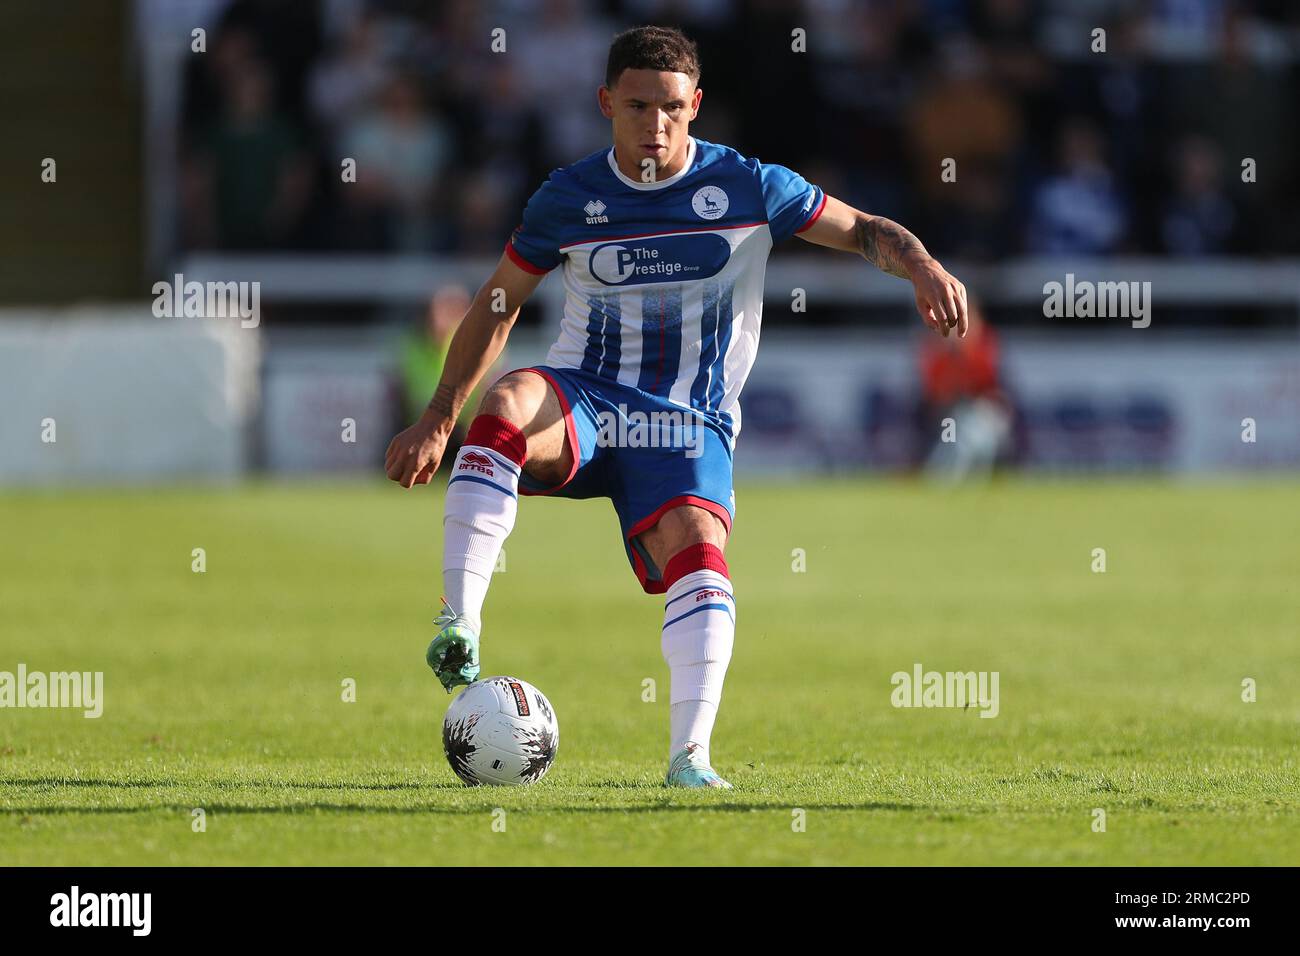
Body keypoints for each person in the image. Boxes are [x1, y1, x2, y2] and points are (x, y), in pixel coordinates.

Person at [385, 26, 967, 788]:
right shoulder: (568, 196)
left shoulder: (752, 186)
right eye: (635, 107)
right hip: (586, 401)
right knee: (507, 401)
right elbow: (498, 302)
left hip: (687, 422)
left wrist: (920, 264)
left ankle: (690, 758)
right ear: (605, 104)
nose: (654, 125)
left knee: (700, 548)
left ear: (695, 104)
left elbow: (860, 230)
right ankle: (459, 621)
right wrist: (436, 416)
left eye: (669, 107)